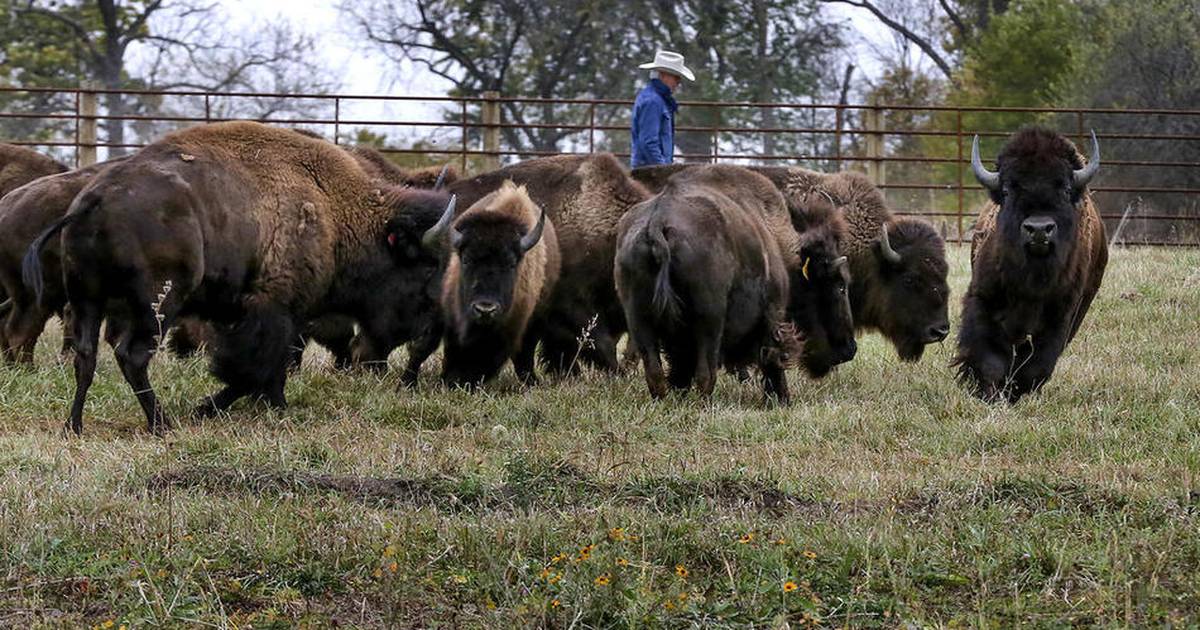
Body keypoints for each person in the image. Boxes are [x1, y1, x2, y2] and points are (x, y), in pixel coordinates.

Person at [630, 50, 695, 167]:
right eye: (676, 77)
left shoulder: (657, 99)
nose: (678, 82)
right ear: (663, 75)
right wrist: (664, 169)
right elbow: (649, 142)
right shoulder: (653, 101)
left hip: (651, 169)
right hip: (650, 173)